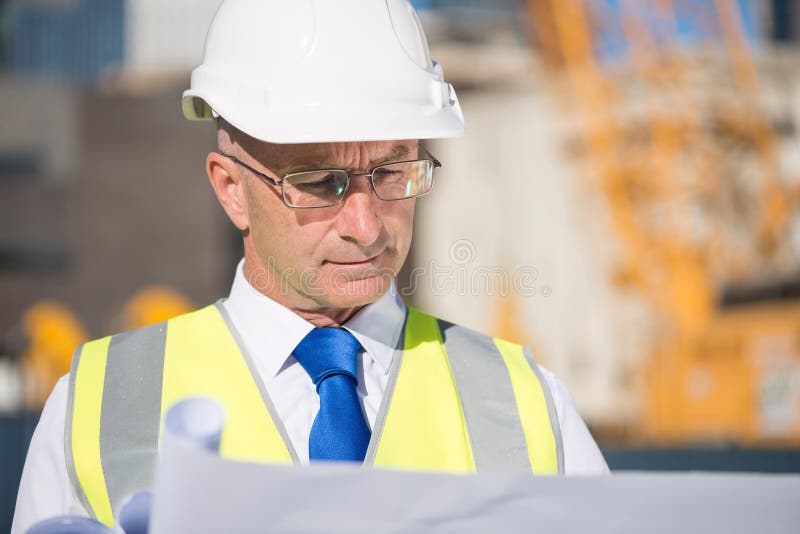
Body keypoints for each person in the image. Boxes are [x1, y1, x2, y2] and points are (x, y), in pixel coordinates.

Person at [11, 1, 608, 532]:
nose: (368, 226)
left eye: (393, 172)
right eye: (321, 182)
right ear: (231, 189)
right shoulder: (98, 407)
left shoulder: (526, 404)